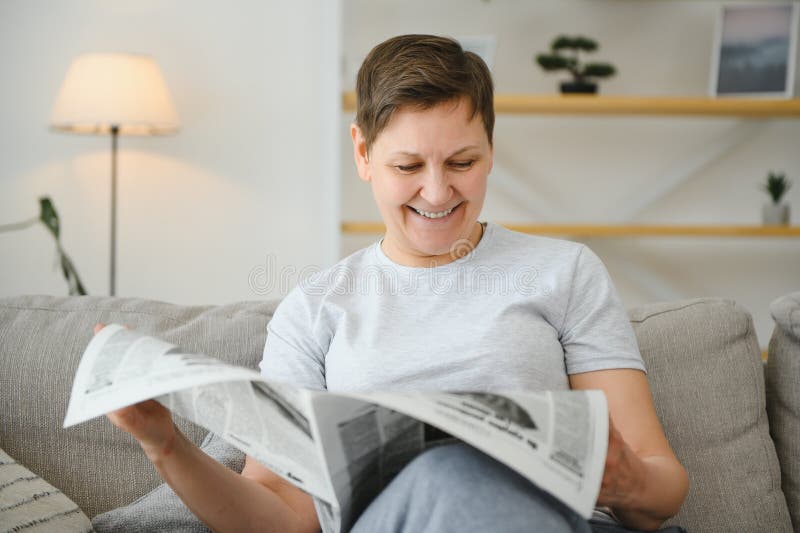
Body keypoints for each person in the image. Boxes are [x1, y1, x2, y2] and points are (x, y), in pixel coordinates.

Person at [97, 34, 689, 533]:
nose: (437, 191)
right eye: (408, 166)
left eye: (462, 162)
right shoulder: (315, 310)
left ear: (490, 149)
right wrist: (165, 445)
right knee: (440, 476)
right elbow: (283, 519)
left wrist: (627, 481)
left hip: (550, 520)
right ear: (363, 152)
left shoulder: (565, 272)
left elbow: (662, 490)